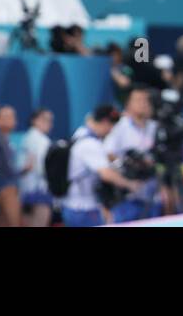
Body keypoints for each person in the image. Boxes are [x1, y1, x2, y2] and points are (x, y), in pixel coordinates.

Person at [62, 105, 142, 227]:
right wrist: (130, 184)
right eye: (111, 126)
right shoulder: (90, 144)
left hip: (77, 206)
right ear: (105, 122)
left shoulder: (81, 133)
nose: (111, 130)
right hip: (83, 210)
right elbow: (106, 174)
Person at [104, 86, 159, 222]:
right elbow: (108, 152)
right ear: (128, 104)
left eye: (146, 100)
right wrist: (125, 167)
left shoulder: (154, 127)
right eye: (138, 100)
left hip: (151, 190)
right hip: (128, 193)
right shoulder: (120, 126)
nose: (143, 103)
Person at [19, 109, 55, 226]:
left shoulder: (25, 138)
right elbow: (43, 169)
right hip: (39, 192)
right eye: (45, 120)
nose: (49, 124)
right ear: (34, 121)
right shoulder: (42, 141)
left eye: (50, 121)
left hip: (24, 191)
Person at [0, 105, 23, 226]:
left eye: (14, 116)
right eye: (9, 117)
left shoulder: (6, 140)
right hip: (5, 189)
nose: (14, 120)